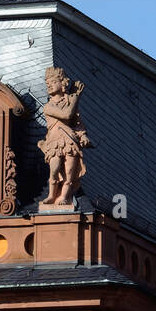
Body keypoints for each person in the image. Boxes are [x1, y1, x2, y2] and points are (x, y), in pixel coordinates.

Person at [38, 67, 92, 206]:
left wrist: (83, 135)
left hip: (70, 141)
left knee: (69, 173)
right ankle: (51, 195)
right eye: (47, 83)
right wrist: (75, 97)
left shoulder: (70, 101)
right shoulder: (48, 107)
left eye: (53, 81)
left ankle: (64, 196)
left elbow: (77, 123)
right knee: (54, 170)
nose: (49, 85)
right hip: (54, 141)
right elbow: (66, 114)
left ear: (62, 84)